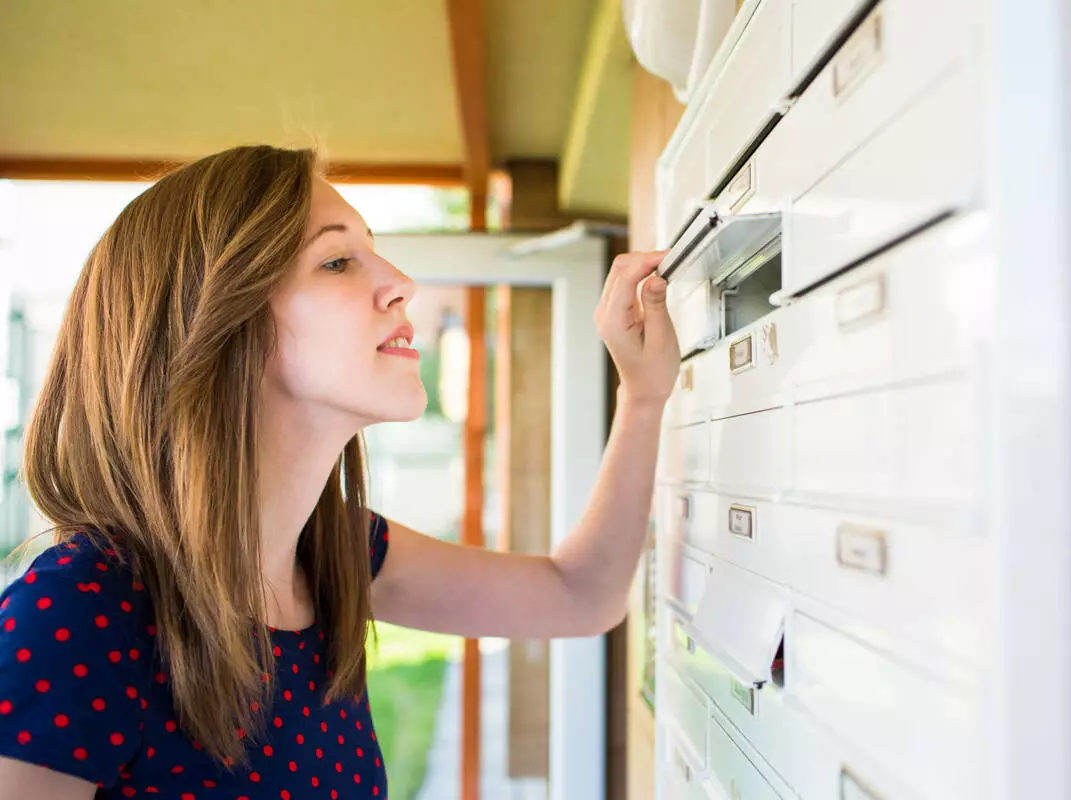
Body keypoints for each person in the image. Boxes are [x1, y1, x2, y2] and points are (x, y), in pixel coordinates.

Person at [0, 145, 679, 798]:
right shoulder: (80, 609)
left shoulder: (337, 555)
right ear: (215, 320)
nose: (400, 284)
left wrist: (643, 398)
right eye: (337, 261)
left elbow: (581, 597)